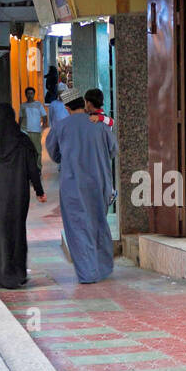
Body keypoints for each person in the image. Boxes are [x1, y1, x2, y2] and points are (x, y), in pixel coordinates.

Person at [45, 88, 116, 283]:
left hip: (73, 184)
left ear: (67, 107)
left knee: (77, 227)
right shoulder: (99, 124)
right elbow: (113, 150)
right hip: (99, 181)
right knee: (99, 223)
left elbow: (54, 152)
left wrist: (67, 158)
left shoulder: (61, 126)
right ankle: (103, 267)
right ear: (83, 103)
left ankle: (87, 272)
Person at [0, 103, 46, 289]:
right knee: (16, 232)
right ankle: (17, 274)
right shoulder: (23, 141)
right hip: (17, 195)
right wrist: (39, 191)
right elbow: (33, 168)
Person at [19, 86, 47, 168]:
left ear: (34, 94)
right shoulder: (23, 105)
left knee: (37, 150)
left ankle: (38, 167)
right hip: (25, 131)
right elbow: (20, 117)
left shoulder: (38, 104)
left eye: (31, 93)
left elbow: (44, 116)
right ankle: (28, 168)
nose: (30, 95)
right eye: (28, 93)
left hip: (36, 131)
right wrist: (18, 128)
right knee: (26, 151)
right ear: (25, 94)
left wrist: (43, 127)